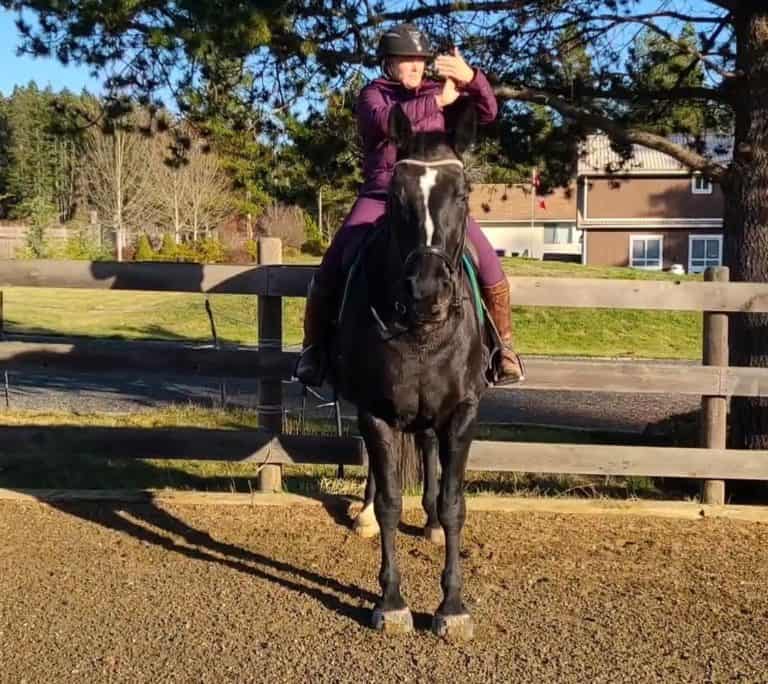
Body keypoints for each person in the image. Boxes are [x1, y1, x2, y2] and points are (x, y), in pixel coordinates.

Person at [295, 23, 525, 387]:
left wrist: (473, 78)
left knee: (488, 261)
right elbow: (388, 123)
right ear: (388, 63)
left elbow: (488, 113)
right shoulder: (374, 95)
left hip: (435, 198)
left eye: (420, 58)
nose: (416, 66)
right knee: (334, 261)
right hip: (382, 194)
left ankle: (504, 349)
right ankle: (314, 349)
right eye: (406, 59)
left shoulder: (442, 91)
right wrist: (438, 102)